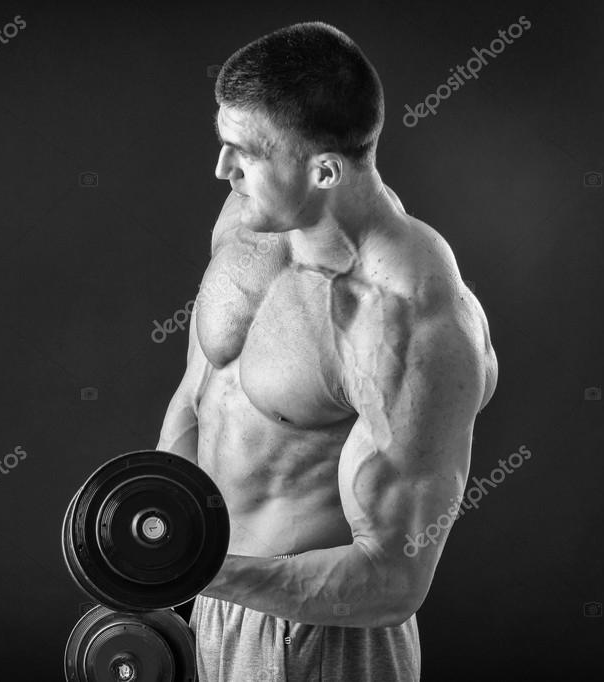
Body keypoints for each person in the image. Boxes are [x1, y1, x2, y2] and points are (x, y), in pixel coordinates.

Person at [156, 21, 498, 681]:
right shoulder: (248, 220)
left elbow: (390, 579)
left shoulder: (403, 315)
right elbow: (198, 395)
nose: (222, 169)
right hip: (216, 604)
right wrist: (158, 551)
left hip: (324, 634)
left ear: (323, 169)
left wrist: (182, 571)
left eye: (244, 153)